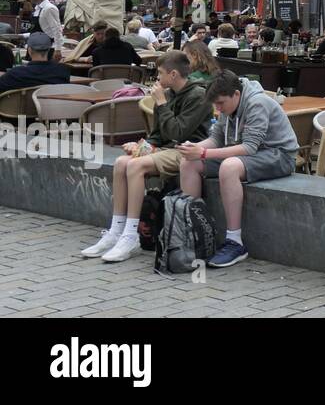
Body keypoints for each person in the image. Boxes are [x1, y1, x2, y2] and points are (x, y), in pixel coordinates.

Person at [80, 51, 214, 263]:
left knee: (135, 167)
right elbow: (159, 134)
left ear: (173, 74)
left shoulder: (198, 96)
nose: (157, 78)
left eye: (160, 73)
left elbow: (179, 133)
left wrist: (161, 104)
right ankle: (116, 230)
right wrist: (143, 145)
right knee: (121, 162)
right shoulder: (169, 94)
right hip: (166, 150)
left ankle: (132, 235)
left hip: (188, 152)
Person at [176, 70, 299, 268]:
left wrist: (204, 154)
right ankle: (193, 234)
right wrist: (194, 148)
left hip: (279, 155)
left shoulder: (257, 103)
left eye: (220, 103)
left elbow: (249, 147)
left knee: (229, 167)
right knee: (188, 163)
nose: (217, 108)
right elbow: (216, 139)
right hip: (250, 155)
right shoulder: (228, 106)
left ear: (236, 94)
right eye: (214, 104)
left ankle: (235, 242)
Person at [0, 33, 70, 90]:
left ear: (29, 50)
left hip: (17, 107)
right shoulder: (62, 71)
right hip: (51, 107)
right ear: (49, 50)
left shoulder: (15, 74)